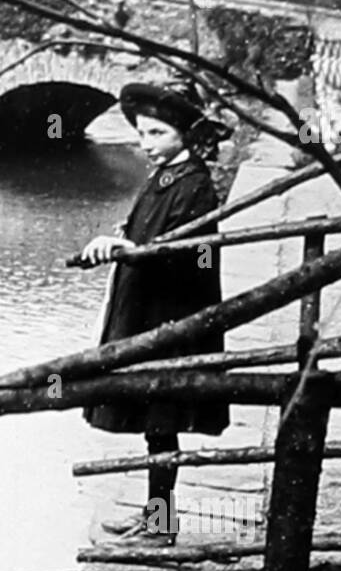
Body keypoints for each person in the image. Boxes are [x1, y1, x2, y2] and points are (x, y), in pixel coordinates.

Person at [78, 82, 231, 545]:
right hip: (148, 307)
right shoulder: (165, 177)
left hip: (172, 314)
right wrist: (119, 239)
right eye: (143, 134)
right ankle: (155, 514)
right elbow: (143, 230)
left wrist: (131, 249)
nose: (147, 144)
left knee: (162, 417)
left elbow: (192, 255)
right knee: (153, 423)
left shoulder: (195, 186)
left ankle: (161, 524)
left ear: (184, 134)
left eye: (158, 133)